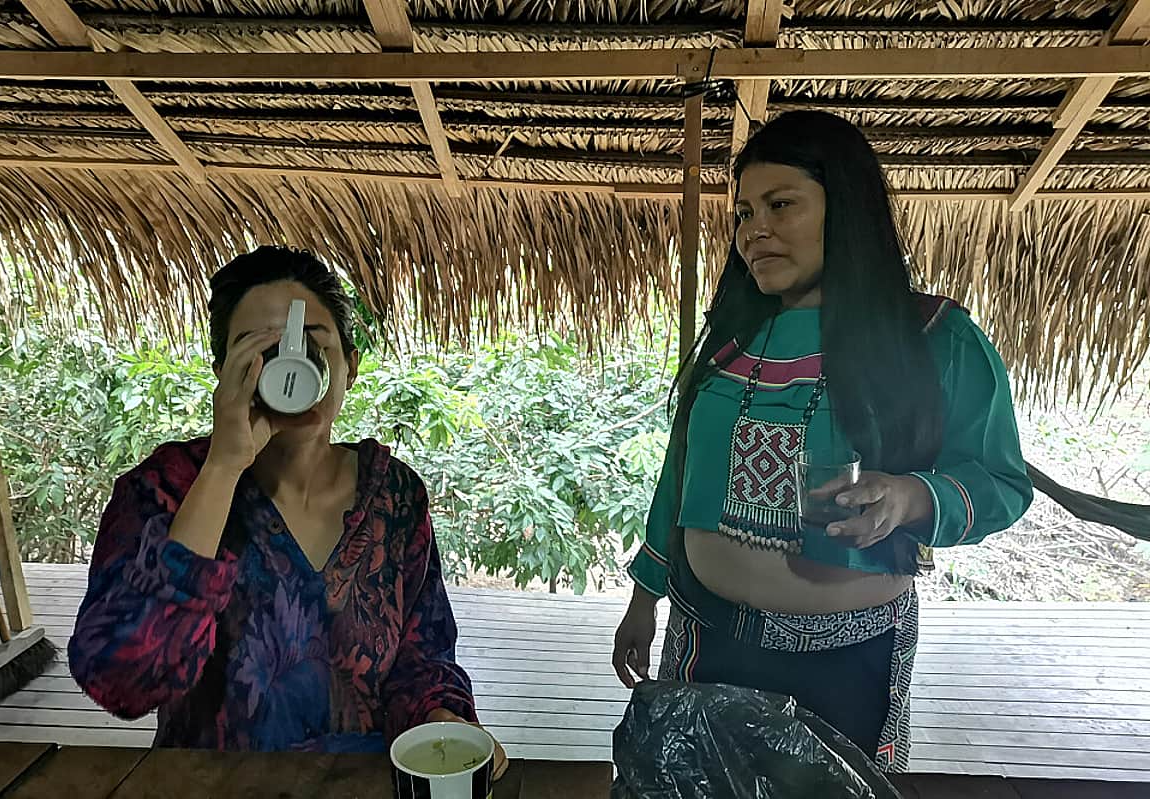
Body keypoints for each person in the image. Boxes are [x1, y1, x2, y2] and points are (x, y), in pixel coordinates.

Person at [611, 111, 1033, 772]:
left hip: (848, 667)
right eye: (745, 213)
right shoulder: (730, 340)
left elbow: (1000, 482)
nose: (756, 230)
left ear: (849, 209)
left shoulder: (933, 338)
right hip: (706, 642)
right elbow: (680, 474)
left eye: (782, 204)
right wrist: (645, 597)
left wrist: (909, 496)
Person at [70, 246, 506, 770]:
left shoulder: (394, 495)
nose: (289, 367)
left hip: (356, 786)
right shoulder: (165, 488)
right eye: (263, 351)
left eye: (312, 345)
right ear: (224, 372)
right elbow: (123, 685)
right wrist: (223, 469)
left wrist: (439, 717)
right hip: (208, 789)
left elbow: (422, 656)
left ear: (350, 366)